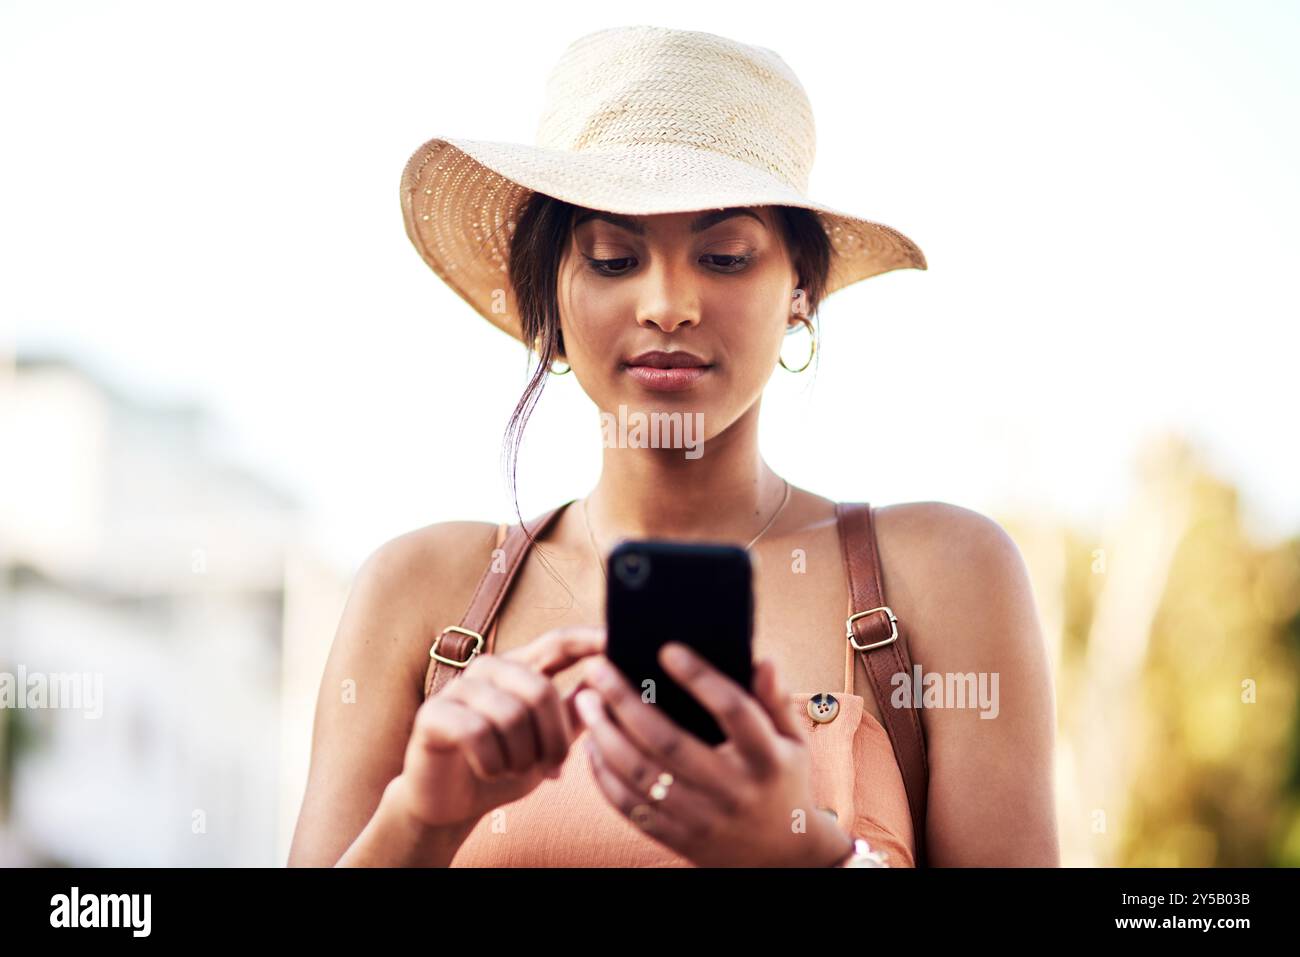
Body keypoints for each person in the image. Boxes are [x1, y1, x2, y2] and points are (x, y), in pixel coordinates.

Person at [288, 25, 1059, 868]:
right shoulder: (424, 596)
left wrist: (798, 855)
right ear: (550, 292)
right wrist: (420, 822)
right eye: (614, 258)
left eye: (725, 256)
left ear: (801, 291)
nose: (668, 303)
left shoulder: (941, 574)